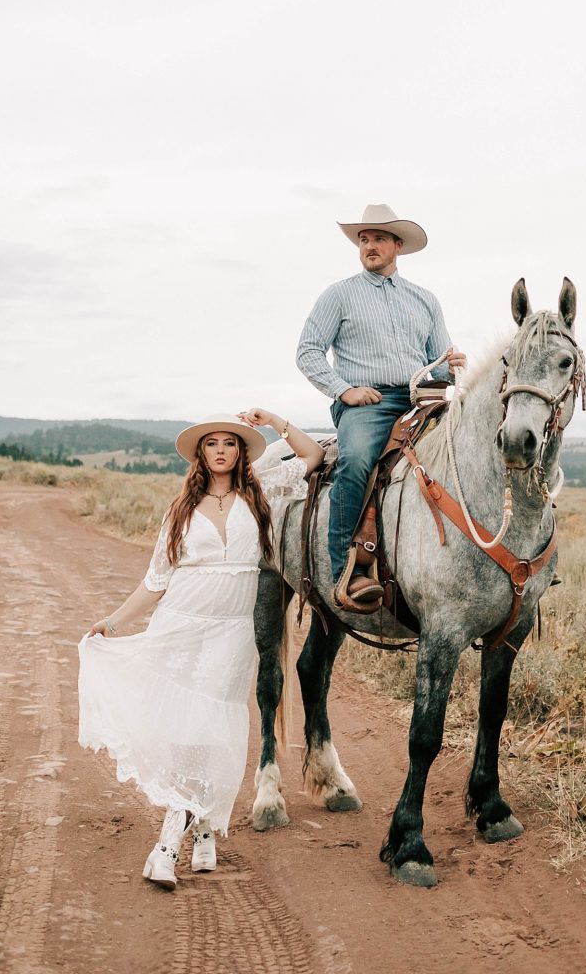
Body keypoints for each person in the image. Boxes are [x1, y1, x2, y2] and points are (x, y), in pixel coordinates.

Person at [77, 409, 323, 890]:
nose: (220, 451)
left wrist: (275, 419)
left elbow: (312, 455)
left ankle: (203, 828)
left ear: (241, 452)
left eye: (229, 444)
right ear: (200, 454)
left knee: (213, 732)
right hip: (183, 629)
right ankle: (170, 845)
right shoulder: (180, 510)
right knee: (190, 735)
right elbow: (155, 582)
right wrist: (111, 623)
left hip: (233, 633)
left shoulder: (265, 492)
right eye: (211, 444)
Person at [295, 203, 466, 611]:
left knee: (462, 458)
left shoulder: (424, 300)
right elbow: (308, 352)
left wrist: (451, 368)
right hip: (367, 403)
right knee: (354, 463)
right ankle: (345, 573)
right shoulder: (339, 295)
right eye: (364, 239)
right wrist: (343, 390)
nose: (369, 246)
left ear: (397, 246)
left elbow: (437, 359)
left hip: (418, 401)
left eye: (378, 239)